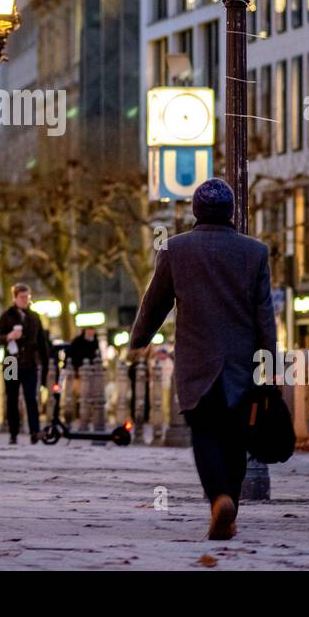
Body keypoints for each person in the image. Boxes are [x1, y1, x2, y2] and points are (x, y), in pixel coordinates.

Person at [129, 178, 275, 541]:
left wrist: (139, 341)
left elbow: (155, 303)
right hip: (241, 364)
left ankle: (218, 499)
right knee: (236, 439)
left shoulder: (175, 249)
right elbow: (265, 317)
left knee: (206, 434)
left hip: (197, 361)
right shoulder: (254, 252)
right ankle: (231, 509)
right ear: (231, 212)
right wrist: (269, 364)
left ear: (195, 211)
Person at [0, 283, 51, 444]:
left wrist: (45, 363)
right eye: (22, 297)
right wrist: (9, 336)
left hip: (29, 362)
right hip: (11, 362)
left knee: (30, 396)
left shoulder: (34, 317)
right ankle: (13, 432)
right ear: (15, 298)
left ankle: (35, 431)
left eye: (27, 297)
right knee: (12, 398)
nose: (25, 300)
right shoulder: (7, 316)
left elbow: (42, 342)